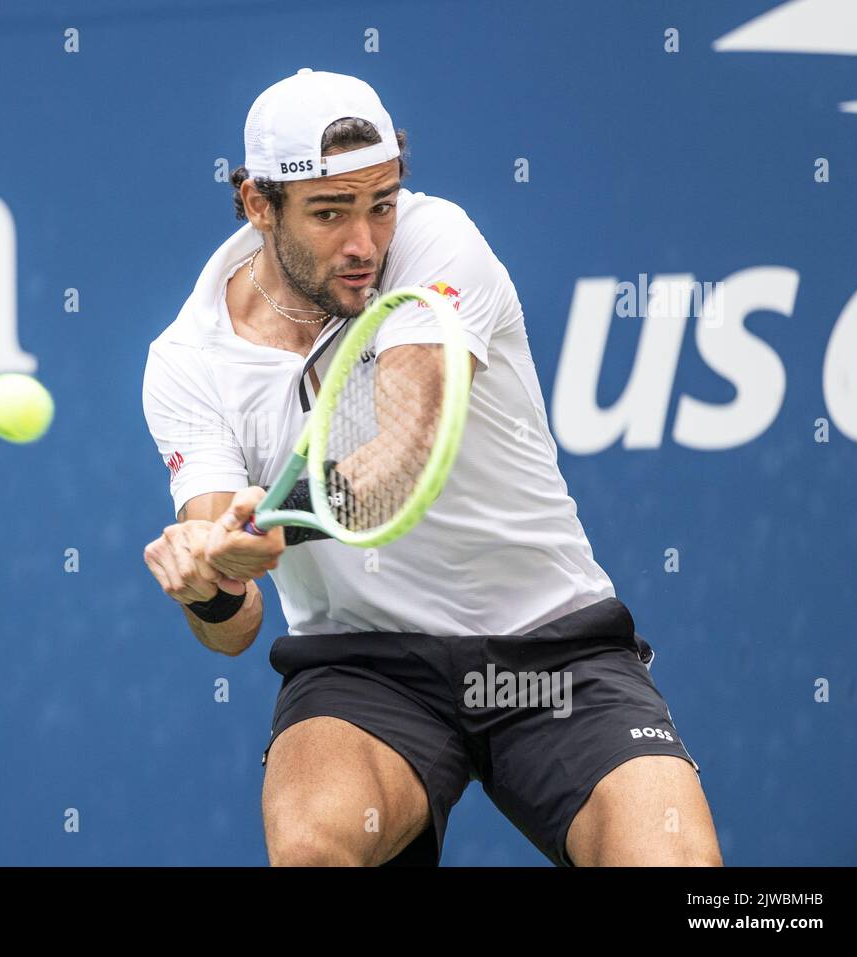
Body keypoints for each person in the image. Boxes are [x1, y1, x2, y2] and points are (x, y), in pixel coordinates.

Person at [141, 68, 723, 867]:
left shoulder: (438, 239)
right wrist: (211, 581)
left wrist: (274, 521)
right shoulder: (185, 361)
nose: (364, 243)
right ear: (256, 204)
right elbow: (234, 628)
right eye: (329, 212)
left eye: (380, 203)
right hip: (366, 669)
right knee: (313, 849)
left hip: (548, 653)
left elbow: (406, 454)